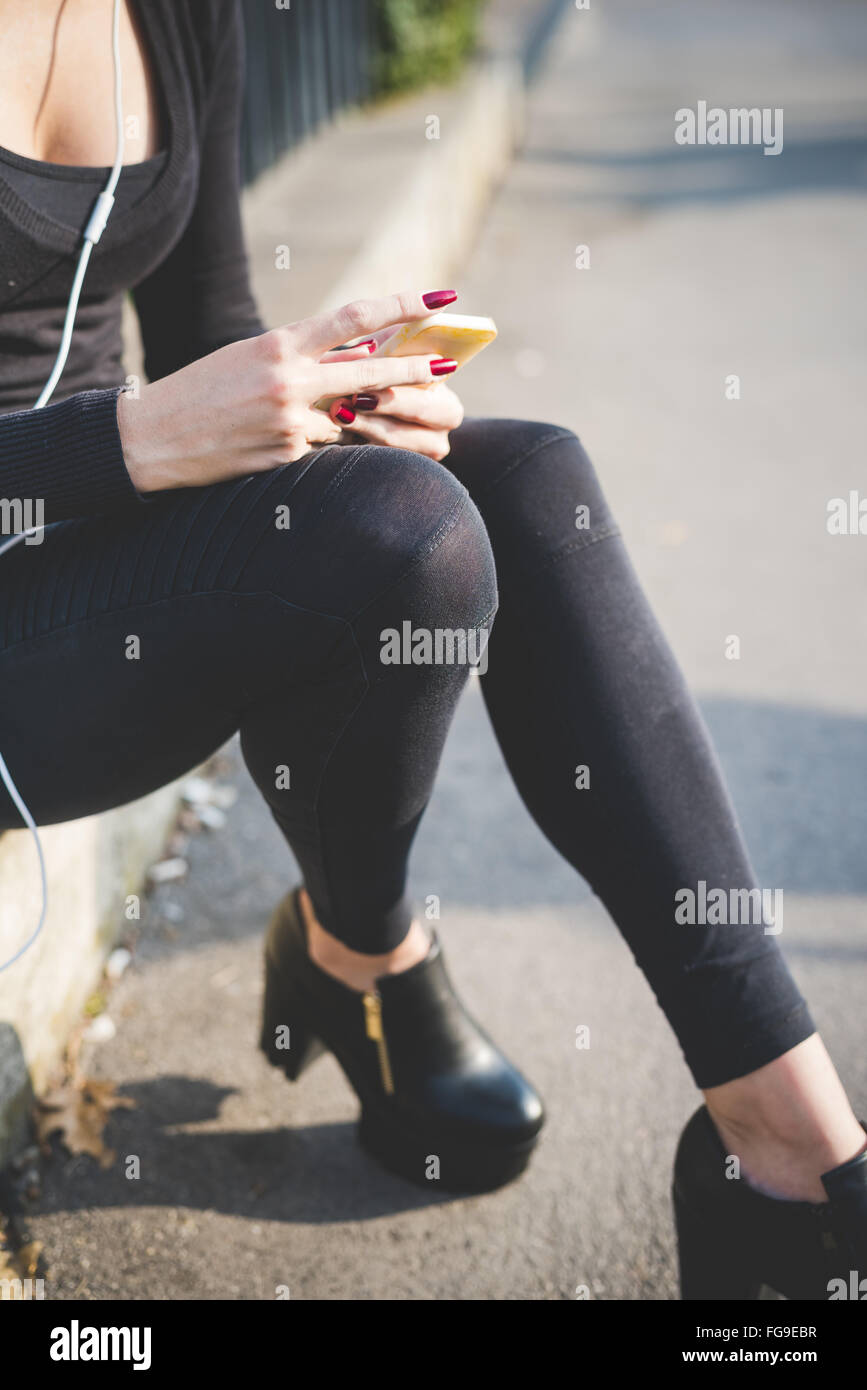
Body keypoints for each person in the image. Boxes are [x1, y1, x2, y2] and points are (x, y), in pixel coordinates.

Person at [0, 0, 863, 1298]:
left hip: (106, 586)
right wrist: (128, 439)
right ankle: (367, 954)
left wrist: (320, 395)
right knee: (403, 529)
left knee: (516, 481)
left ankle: (789, 1136)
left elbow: (203, 330)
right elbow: (152, 420)